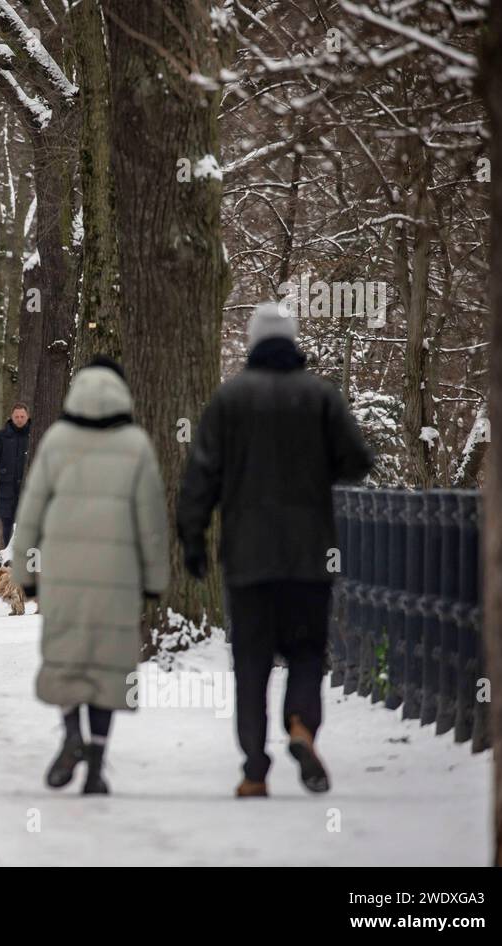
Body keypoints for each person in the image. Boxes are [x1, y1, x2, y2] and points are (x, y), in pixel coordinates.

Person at [177, 302, 374, 799]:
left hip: (248, 557)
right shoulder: (320, 396)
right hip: (310, 556)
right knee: (308, 651)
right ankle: (302, 726)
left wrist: (194, 541)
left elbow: (201, 477)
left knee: (251, 663)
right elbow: (357, 460)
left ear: (251, 343)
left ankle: (254, 769)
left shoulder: (230, 401)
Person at [12, 357, 168, 796]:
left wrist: (24, 571)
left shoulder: (58, 441)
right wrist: (155, 578)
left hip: (63, 573)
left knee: (66, 658)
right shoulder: (136, 445)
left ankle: (71, 735)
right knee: (106, 667)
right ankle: (96, 765)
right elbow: (151, 520)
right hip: (118, 578)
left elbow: (31, 511)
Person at [0, 402, 31, 548]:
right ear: (11, 417)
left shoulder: (33, 435)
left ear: (27, 417)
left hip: (28, 490)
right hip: (6, 490)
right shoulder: (2, 437)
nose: (20, 419)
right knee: (7, 528)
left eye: (22, 416)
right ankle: (8, 561)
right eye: (17, 417)